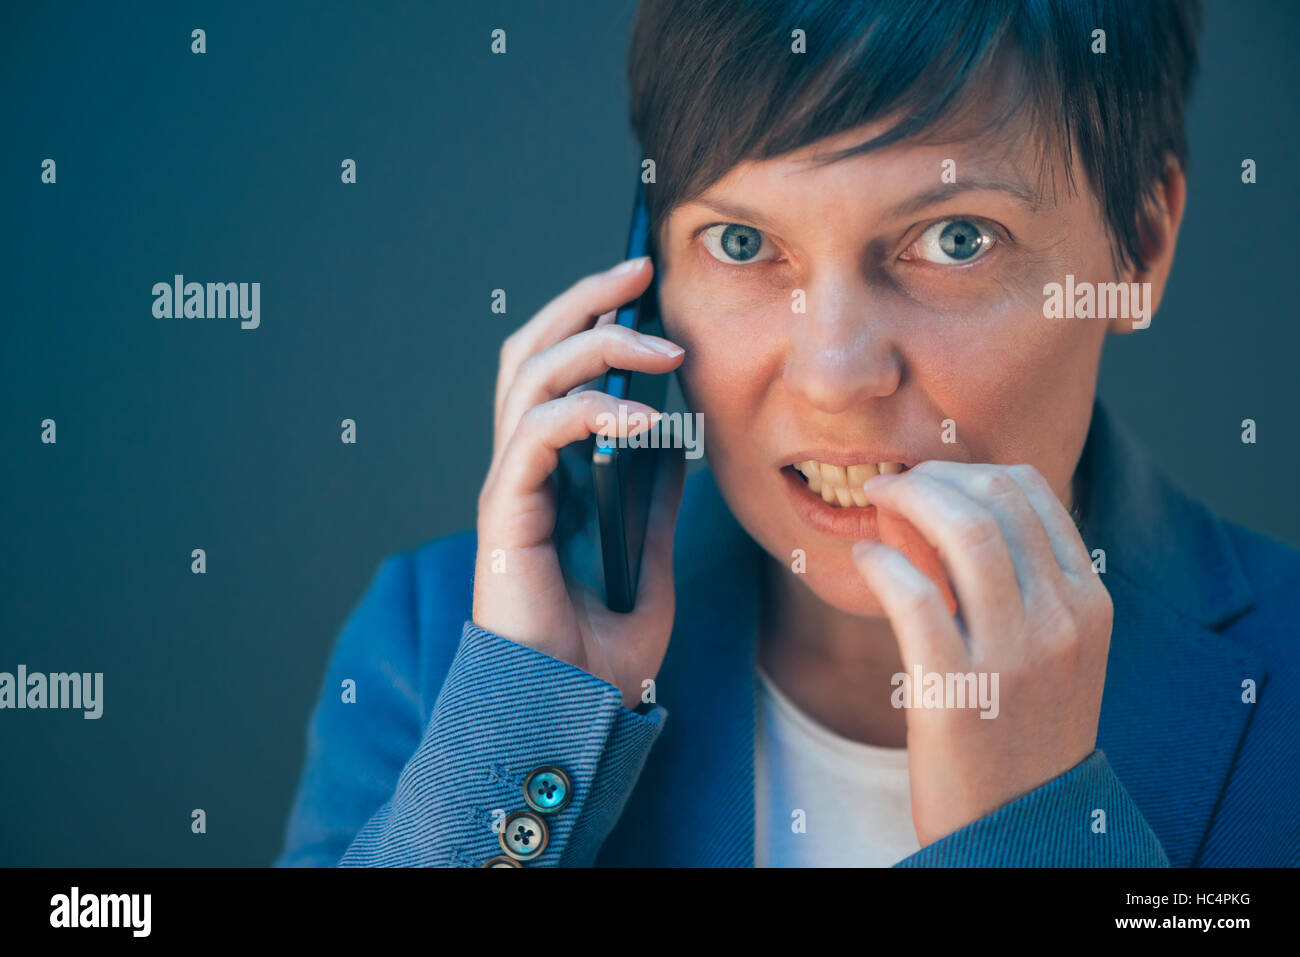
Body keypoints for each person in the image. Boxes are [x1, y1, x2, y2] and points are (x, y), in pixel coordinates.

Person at [275, 0, 1299, 867]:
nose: (836, 375)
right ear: (647, 282)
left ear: (1140, 245)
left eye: (955, 239)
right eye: (741, 242)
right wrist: (528, 718)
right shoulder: (442, 647)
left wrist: (1031, 832)